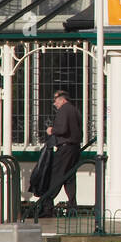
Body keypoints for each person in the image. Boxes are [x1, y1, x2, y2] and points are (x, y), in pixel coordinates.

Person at [35, 90, 82, 218]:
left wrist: (51, 130)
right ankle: (72, 207)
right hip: (75, 149)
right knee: (70, 178)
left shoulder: (64, 110)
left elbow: (62, 129)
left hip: (65, 148)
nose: (54, 104)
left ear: (62, 99)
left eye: (55, 101)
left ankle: (47, 207)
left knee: (55, 175)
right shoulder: (75, 110)